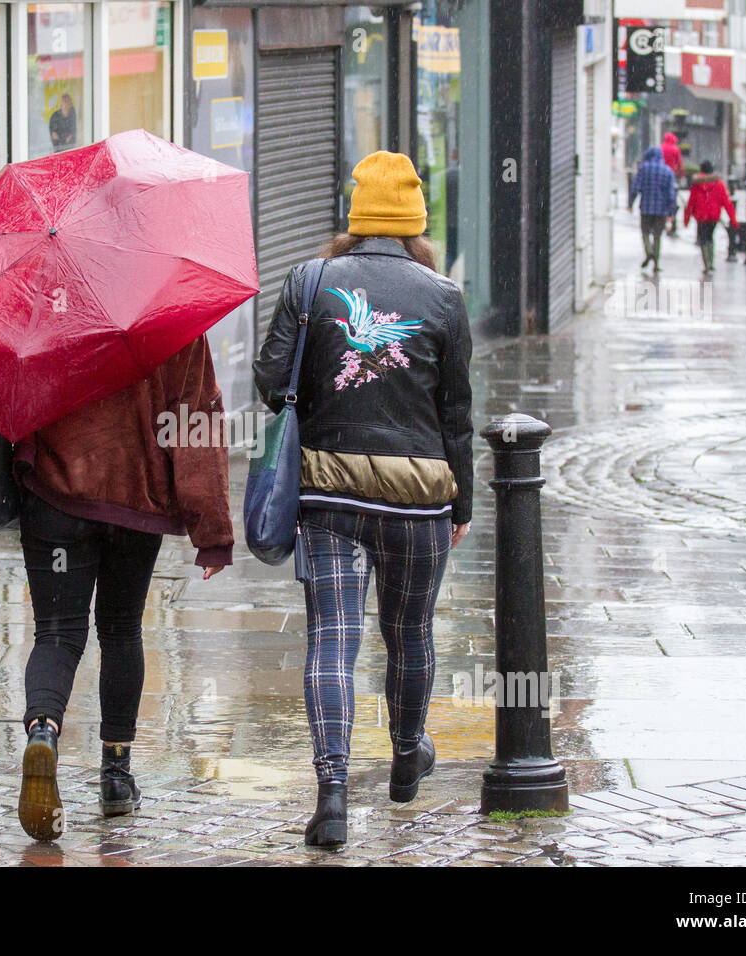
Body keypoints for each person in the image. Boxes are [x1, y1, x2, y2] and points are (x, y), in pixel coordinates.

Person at [253, 151, 473, 848]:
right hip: (418, 500)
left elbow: (268, 381)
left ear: (355, 218)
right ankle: (408, 754)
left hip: (330, 496)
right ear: (414, 223)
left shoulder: (310, 281)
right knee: (408, 635)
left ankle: (333, 796)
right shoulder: (445, 297)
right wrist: (460, 503)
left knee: (332, 643)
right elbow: (457, 414)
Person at [11, 335, 232, 842]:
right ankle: (115, 776)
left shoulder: (52, 301)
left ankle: (43, 730)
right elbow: (195, 416)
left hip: (56, 494)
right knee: (120, 629)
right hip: (136, 502)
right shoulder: (175, 314)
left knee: (58, 634)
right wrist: (212, 531)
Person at [683, 160, 738, 277]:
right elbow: (727, 202)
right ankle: (711, 262)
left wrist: (686, 219)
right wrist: (733, 219)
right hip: (713, 216)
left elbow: (691, 202)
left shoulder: (696, 184)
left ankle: (706, 263)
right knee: (710, 237)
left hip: (701, 216)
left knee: (703, 238)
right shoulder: (719, 183)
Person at [629, 145, 677, 274]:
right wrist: (671, 211)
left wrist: (630, 203)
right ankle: (656, 263)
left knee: (645, 232)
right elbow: (671, 194)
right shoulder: (667, 171)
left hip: (646, 207)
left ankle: (649, 251)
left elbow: (635, 187)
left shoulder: (643, 169)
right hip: (661, 209)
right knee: (657, 235)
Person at [661, 132, 684, 235]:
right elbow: (679, 163)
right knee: (672, 199)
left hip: (661, 176)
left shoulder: (661, 147)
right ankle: (672, 221)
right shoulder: (675, 149)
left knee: (662, 199)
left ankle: (661, 222)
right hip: (671, 176)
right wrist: (681, 174)